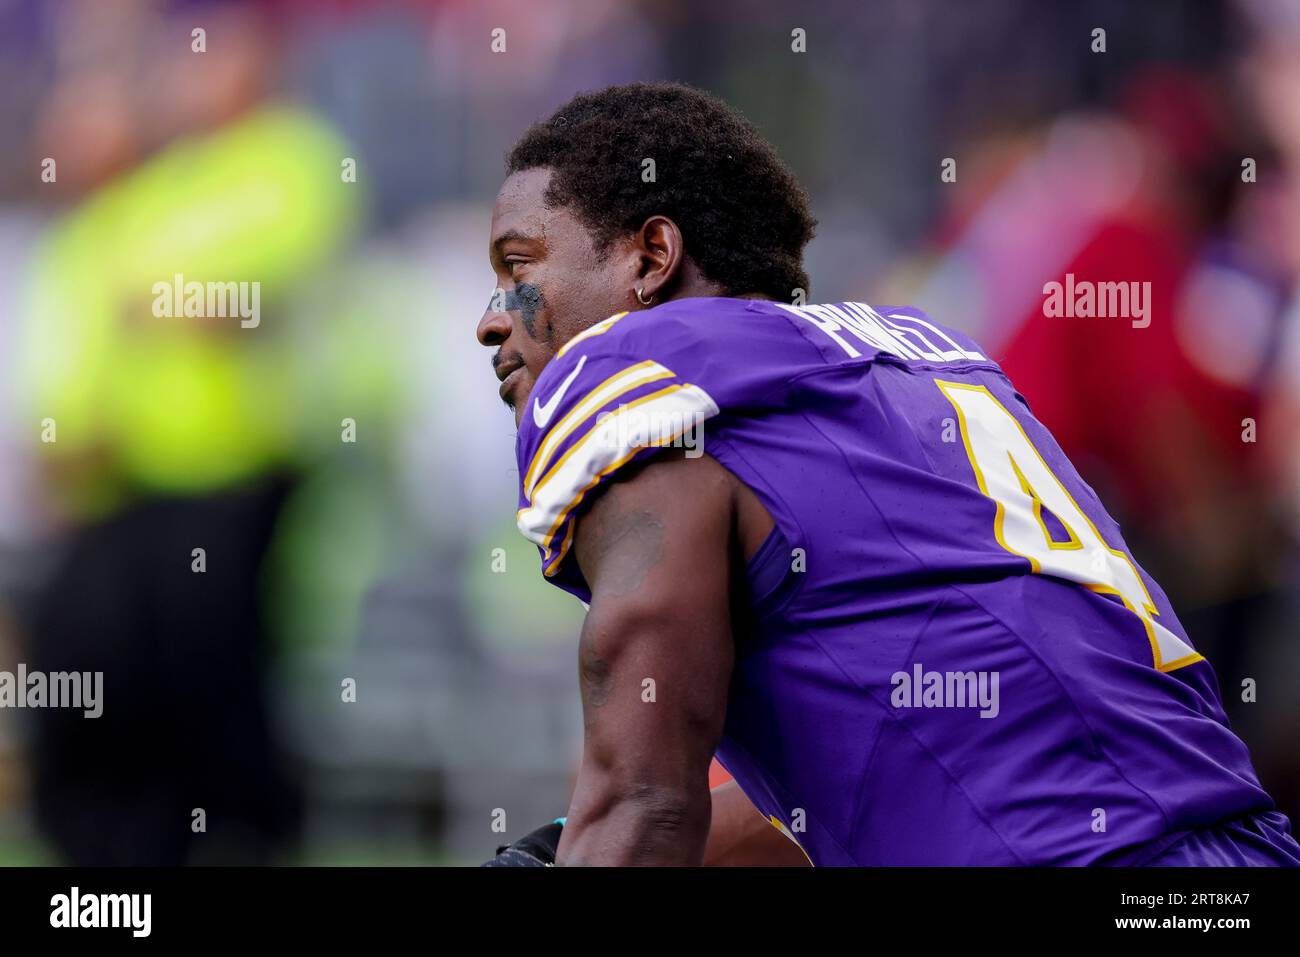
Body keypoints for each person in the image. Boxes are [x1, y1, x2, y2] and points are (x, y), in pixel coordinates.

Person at [477, 82, 1298, 866]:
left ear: (651, 258)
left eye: (519, 269)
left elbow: (643, 808)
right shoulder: (919, 363)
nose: (491, 319)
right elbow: (877, 781)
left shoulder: (644, 377)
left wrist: (603, 831)